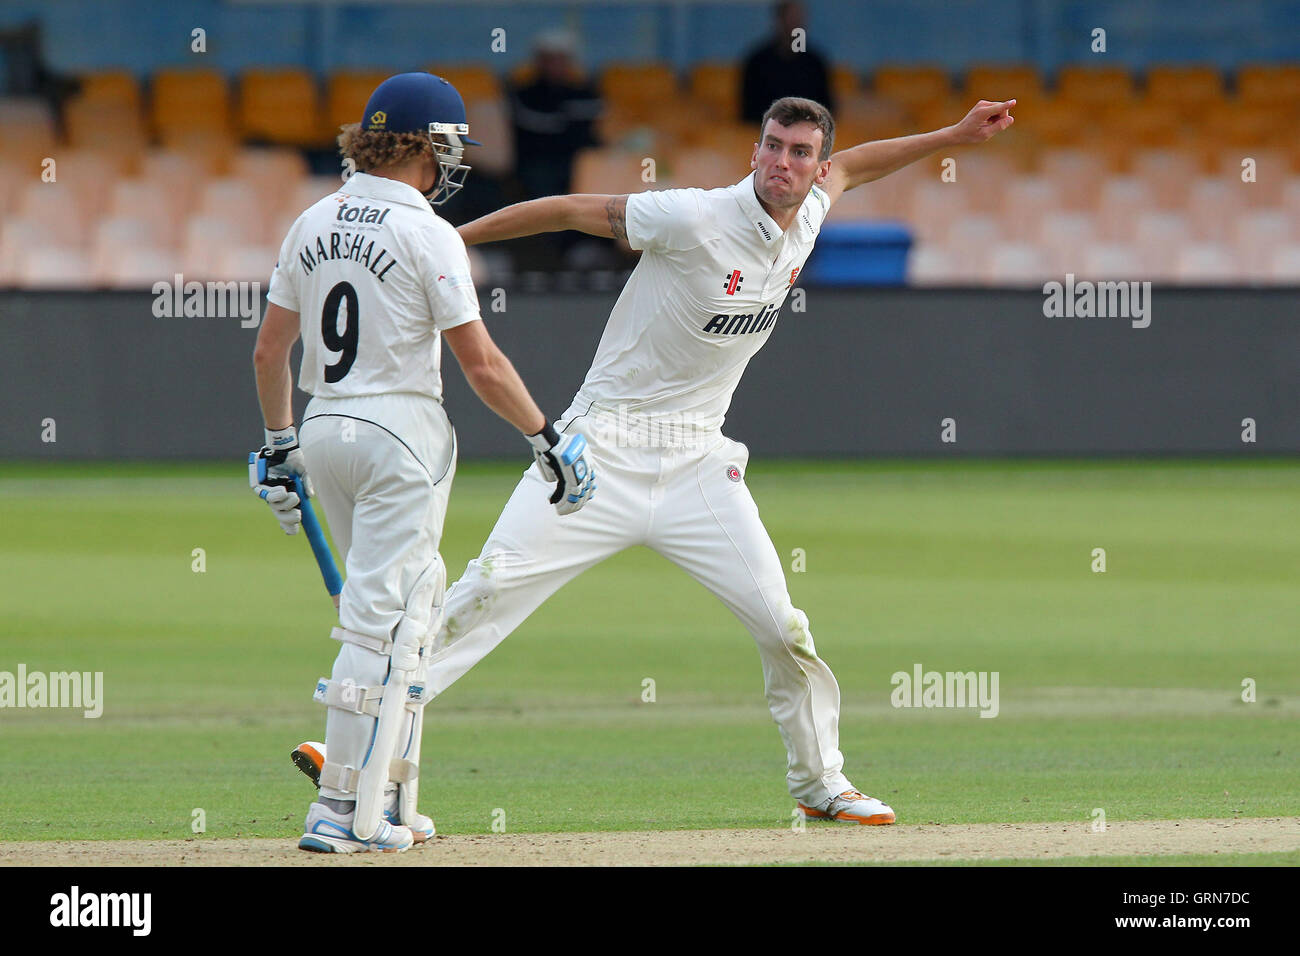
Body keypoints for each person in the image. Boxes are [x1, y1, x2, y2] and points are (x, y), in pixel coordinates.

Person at [378, 94, 1013, 826]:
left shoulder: (810, 213)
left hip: (700, 466)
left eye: (800, 152)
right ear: (754, 151)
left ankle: (821, 785)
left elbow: (863, 166)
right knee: (482, 596)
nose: (783, 163)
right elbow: (565, 208)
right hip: (599, 452)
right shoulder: (694, 217)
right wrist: (450, 244)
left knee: (785, 629)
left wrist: (956, 134)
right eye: (772, 145)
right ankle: (365, 749)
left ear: (817, 167)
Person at [251, 71, 595, 854]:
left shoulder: (312, 219)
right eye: (451, 145)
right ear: (426, 145)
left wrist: (278, 445)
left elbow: (272, 349)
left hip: (325, 428)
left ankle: (392, 796)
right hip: (402, 433)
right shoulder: (428, 232)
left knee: (406, 616)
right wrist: (547, 439)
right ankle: (339, 811)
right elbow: (481, 365)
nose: (455, 161)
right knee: (378, 623)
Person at [508, 30, 603, 201]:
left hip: (579, 160)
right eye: (550, 59)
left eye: (561, 59)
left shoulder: (586, 92)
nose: (555, 65)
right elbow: (538, 130)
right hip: (539, 163)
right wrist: (566, 120)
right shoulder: (525, 94)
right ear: (539, 61)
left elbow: (590, 130)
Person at [741, 2, 835, 123]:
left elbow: (826, 108)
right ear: (779, 20)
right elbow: (748, 110)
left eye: (799, 17)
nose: (795, 23)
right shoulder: (757, 62)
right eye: (791, 17)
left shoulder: (815, 63)